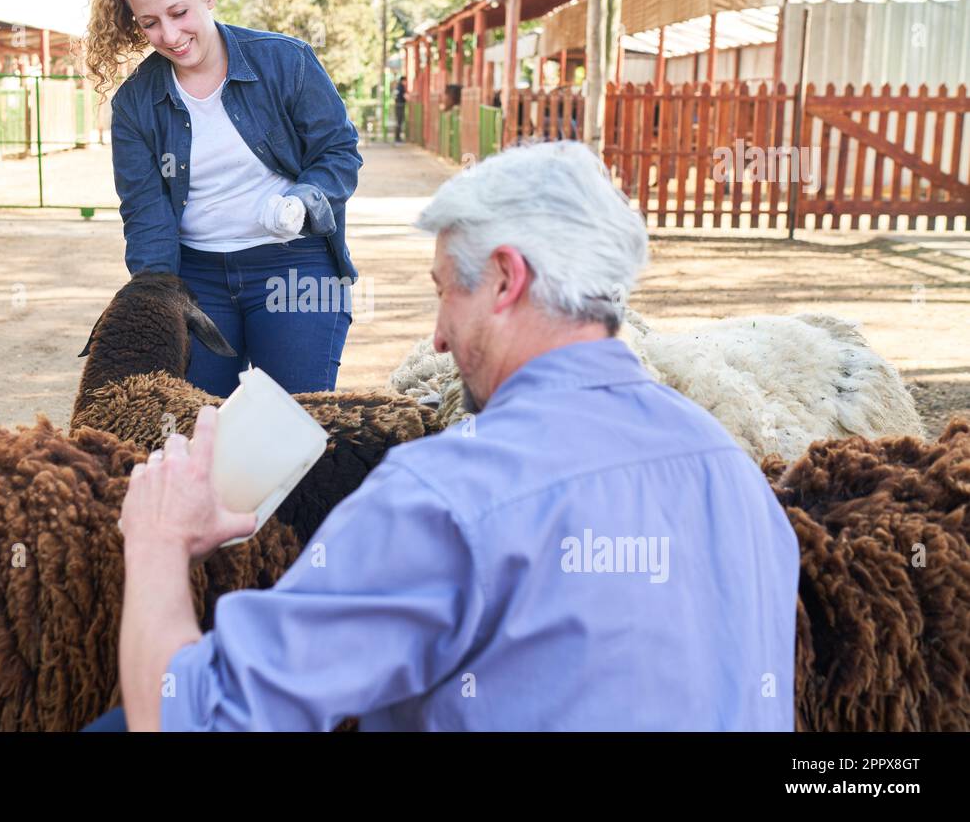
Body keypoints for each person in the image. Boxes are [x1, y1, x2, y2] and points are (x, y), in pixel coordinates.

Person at [85, 140, 801, 732]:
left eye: (443, 291)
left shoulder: (449, 496)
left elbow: (184, 720)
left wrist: (157, 538)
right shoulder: (733, 472)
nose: (436, 333)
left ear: (504, 279)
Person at [83, 0, 362, 397]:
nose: (169, 36)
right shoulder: (134, 103)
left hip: (294, 266)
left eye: (179, 12)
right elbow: (145, 210)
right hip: (196, 279)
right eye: (149, 23)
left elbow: (338, 152)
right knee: (193, 426)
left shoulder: (285, 61)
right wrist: (155, 291)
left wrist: (301, 200)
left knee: (292, 420)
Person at [393, 76, 407, 143]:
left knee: (398, 122)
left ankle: (397, 137)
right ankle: (397, 137)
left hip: (397, 106)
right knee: (399, 122)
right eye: (405, 81)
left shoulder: (398, 87)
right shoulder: (401, 87)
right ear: (403, 81)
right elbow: (404, 96)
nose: (406, 83)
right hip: (400, 106)